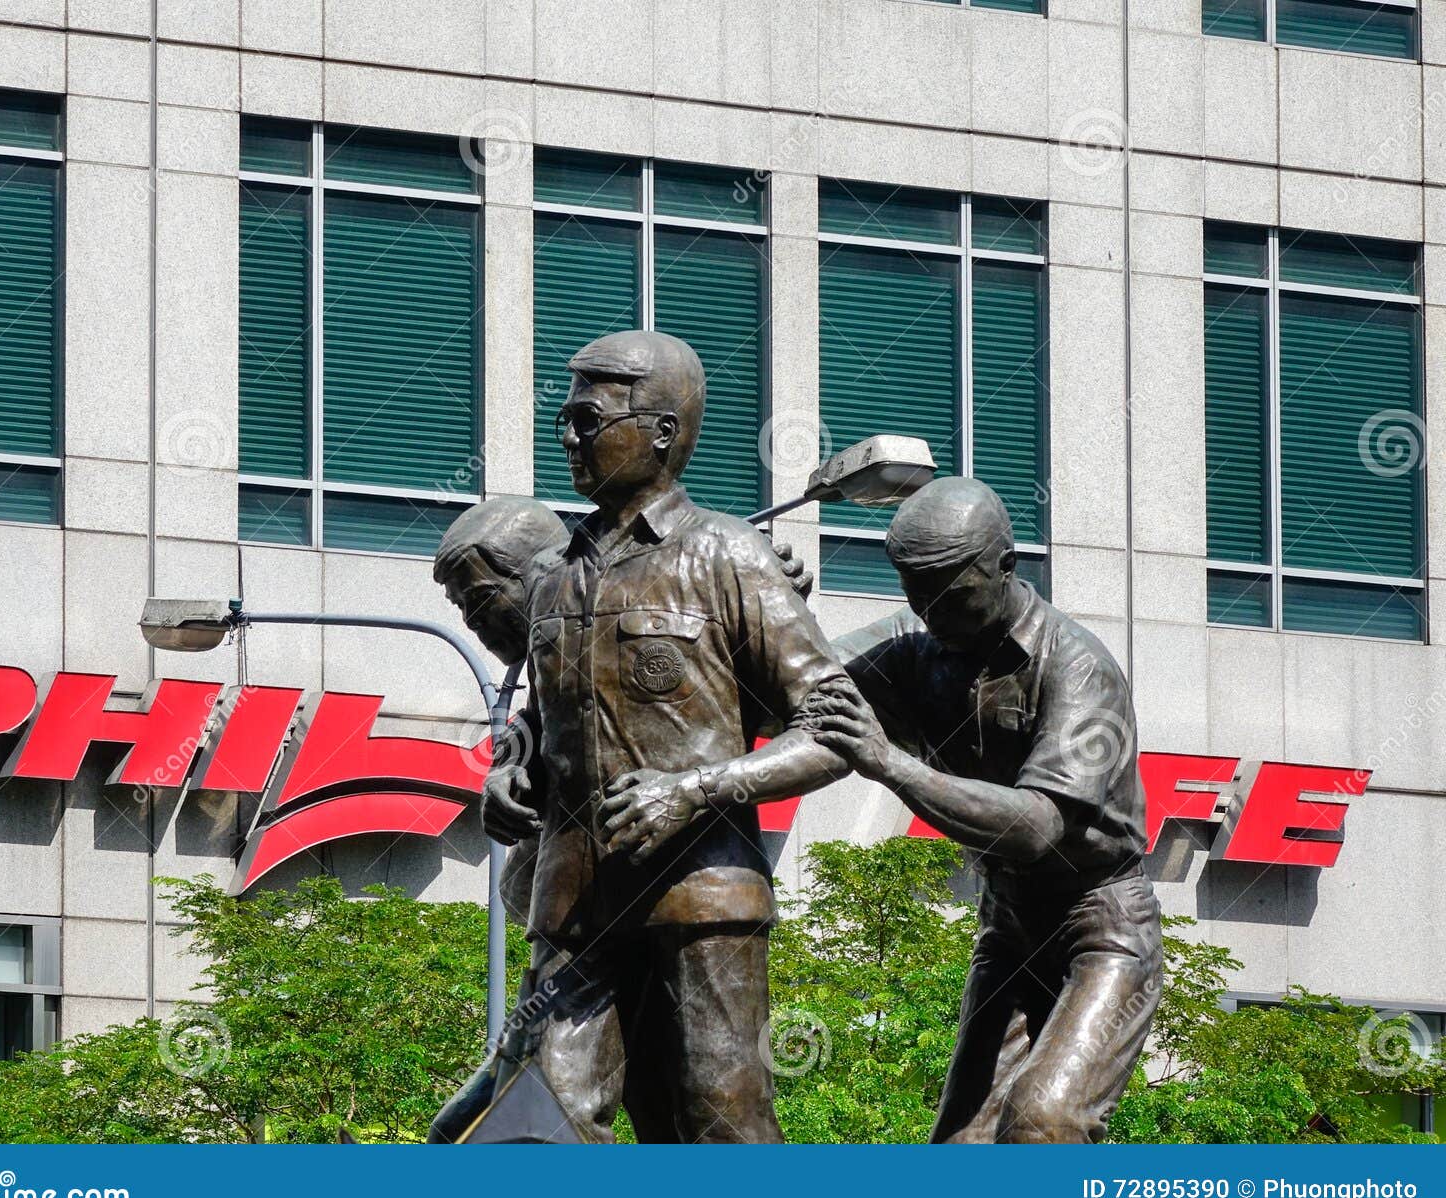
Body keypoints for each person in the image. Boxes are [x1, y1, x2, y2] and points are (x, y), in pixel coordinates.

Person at [481, 330, 845, 1143]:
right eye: (565, 420)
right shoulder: (551, 575)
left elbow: (834, 727)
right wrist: (515, 768)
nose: (568, 435)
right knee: (542, 1121)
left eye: (587, 418)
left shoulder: (727, 555)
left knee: (720, 1124)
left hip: (701, 897)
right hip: (575, 907)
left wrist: (695, 790)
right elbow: (554, 718)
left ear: (663, 432)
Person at [806, 476, 1162, 1144]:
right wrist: (780, 615)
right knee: (961, 1148)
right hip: (1010, 923)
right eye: (914, 588)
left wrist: (889, 762)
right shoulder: (917, 645)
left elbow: (1035, 826)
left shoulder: (1077, 667)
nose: (928, 607)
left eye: (949, 589)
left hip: (1102, 923)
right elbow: (796, 696)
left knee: (1045, 1122)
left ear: (1004, 567)